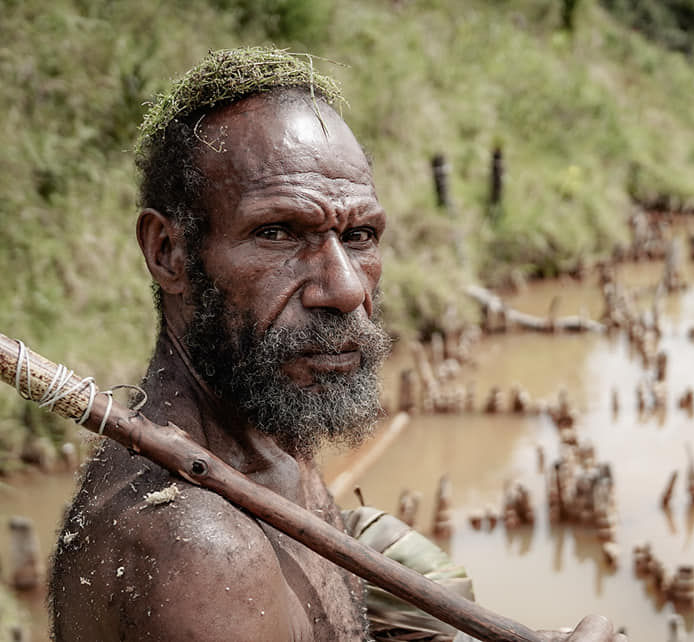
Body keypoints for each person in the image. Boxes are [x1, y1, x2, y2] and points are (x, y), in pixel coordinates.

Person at [49, 48, 626, 641]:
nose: (346, 289)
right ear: (167, 252)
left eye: (359, 235)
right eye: (277, 233)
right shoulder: (201, 551)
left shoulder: (267, 444)